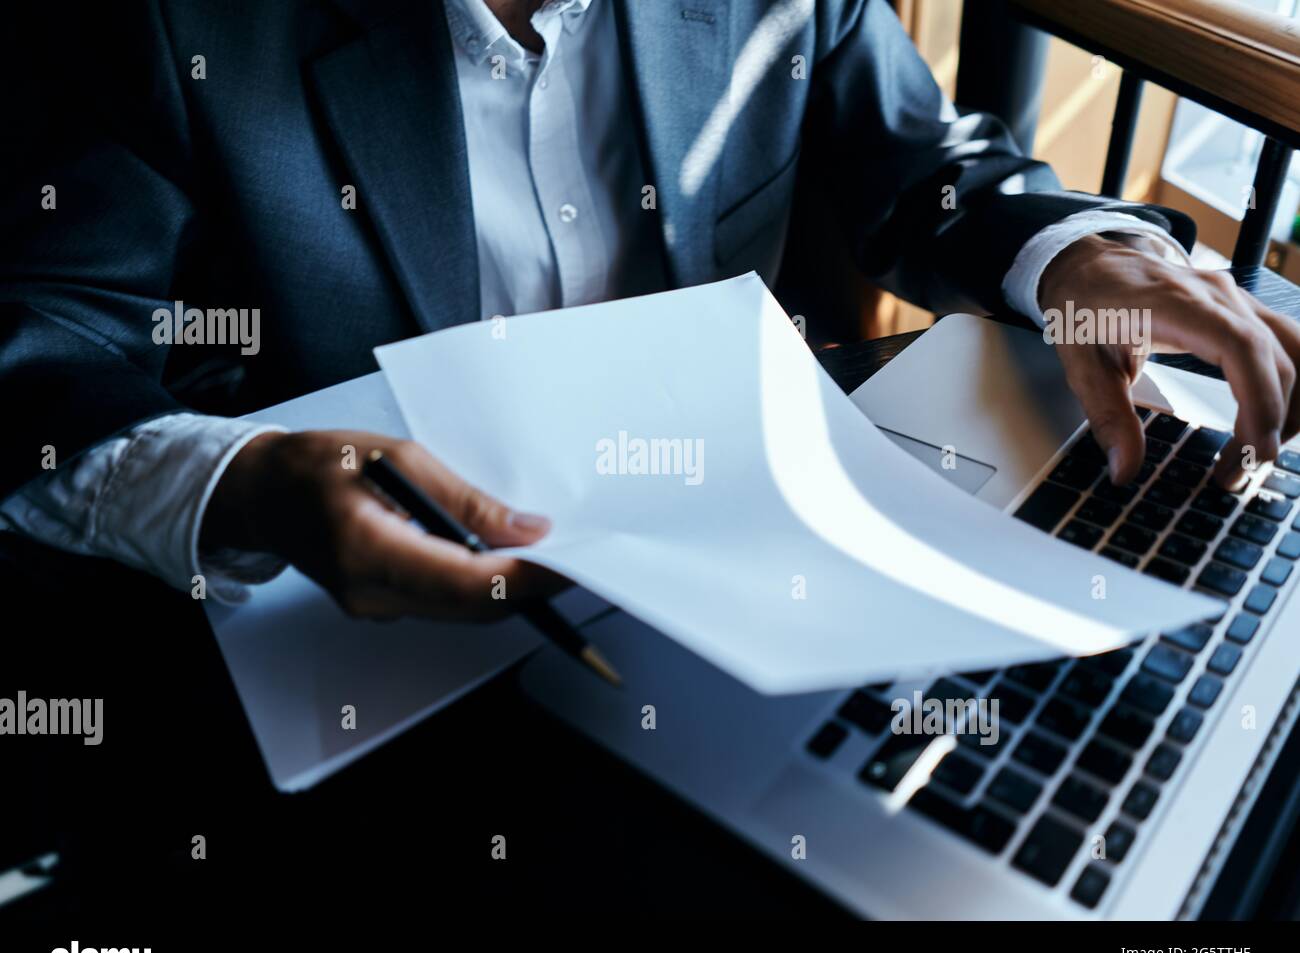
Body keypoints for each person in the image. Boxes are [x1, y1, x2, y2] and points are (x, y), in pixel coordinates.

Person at [3, 0, 1298, 623]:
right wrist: (239, 486)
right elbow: (47, 356)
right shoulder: (165, 22)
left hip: (747, 573)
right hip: (365, 638)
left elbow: (909, 156)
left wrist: (1072, 251)